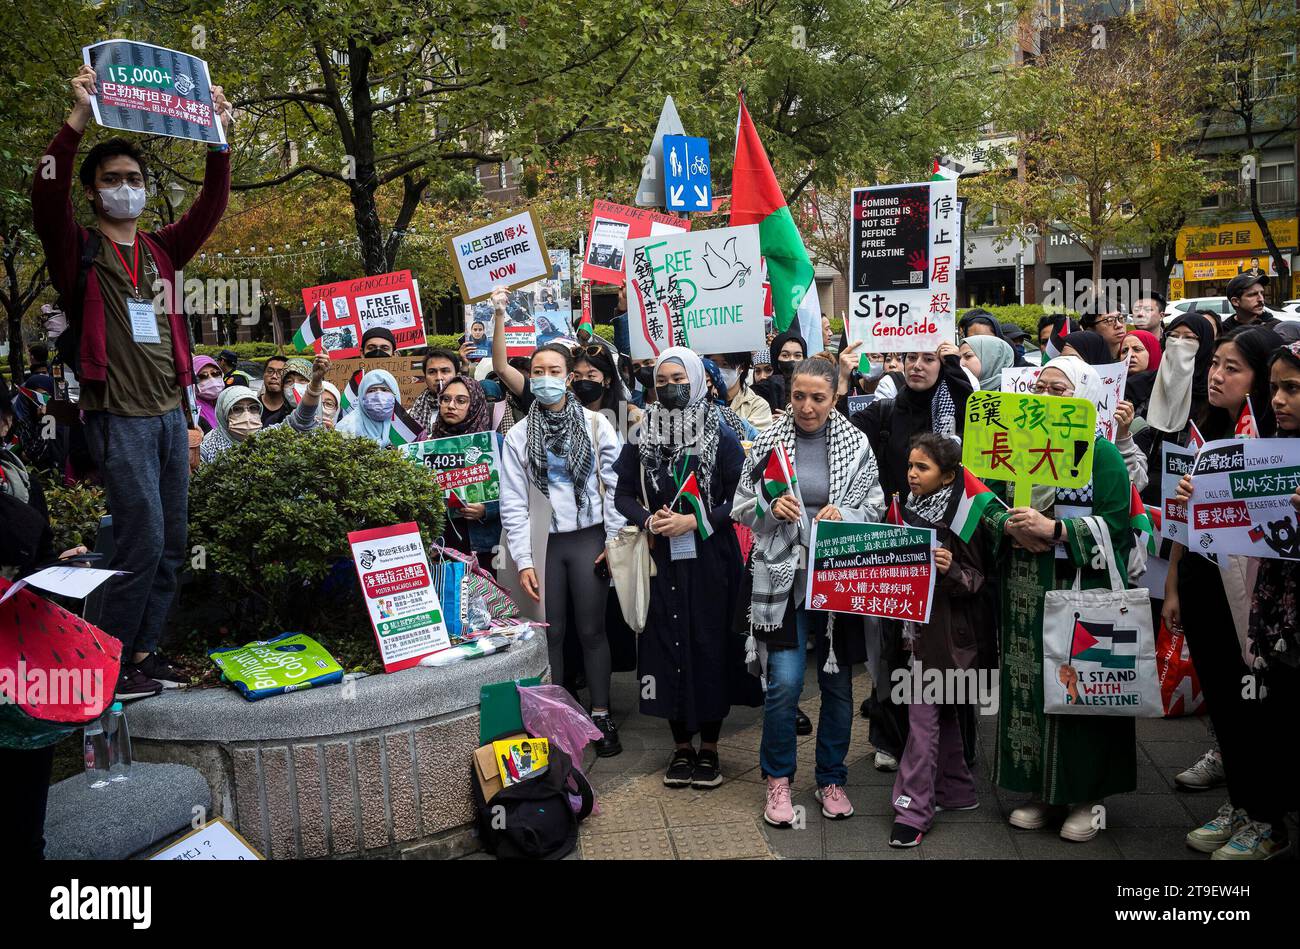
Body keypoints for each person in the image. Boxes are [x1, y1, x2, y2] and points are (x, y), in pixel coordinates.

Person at [31, 62, 233, 700]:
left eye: (136, 179)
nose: (127, 187)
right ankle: (108, 662)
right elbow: (43, 193)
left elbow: (213, 203)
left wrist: (219, 137)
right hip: (119, 417)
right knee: (140, 537)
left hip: (173, 416)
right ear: (93, 192)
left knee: (173, 541)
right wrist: (77, 120)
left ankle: (144, 652)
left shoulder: (164, 252)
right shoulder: (79, 252)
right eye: (113, 179)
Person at [980, 354, 1137, 841]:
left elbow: (1120, 526)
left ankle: (1088, 796)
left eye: (1060, 391)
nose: (1047, 399)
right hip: (1024, 589)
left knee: (1080, 689)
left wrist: (1058, 530)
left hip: (1079, 593)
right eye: (1041, 389)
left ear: (1086, 397)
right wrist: (1006, 524)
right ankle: (1040, 792)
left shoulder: (1101, 453)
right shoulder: (1011, 445)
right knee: (1030, 690)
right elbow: (982, 500)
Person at [732, 357, 885, 826]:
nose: (806, 406)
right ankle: (778, 780)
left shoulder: (856, 443)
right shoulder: (768, 442)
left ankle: (831, 777)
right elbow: (741, 505)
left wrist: (848, 513)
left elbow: (876, 504)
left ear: (835, 397)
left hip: (838, 578)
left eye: (818, 397)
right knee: (786, 683)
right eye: (798, 396)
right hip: (781, 580)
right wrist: (770, 507)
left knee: (838, 685)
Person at [1166, 327, 1287, 859]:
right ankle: (1240, 805)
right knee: (1224, 703)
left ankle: (1266, 819)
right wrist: (1172, 584)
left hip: (1257, 601)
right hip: (1203, 583)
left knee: (1256, 709)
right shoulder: (1205, 429)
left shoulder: (1277, 442)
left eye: (1232, 367)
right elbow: (1180, 520)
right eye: (1215, 364)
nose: (1216, 375)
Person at [613, 347, 746, 788]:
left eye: (678, 378)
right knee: (666, 644)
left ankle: (710, 748)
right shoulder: (641, 433)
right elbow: (624, 494)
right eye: (662, 381)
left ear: (697, 379)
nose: (670, 387)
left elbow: (740, 498)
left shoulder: (721, 431)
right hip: (661, 558)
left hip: (712, 559)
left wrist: (696, 520)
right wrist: (649, 520)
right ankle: (680, 747)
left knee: (708, 643)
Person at [498, 343, 626, 756]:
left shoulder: (596, 424)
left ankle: (602, 714)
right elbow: (512, 501)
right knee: (550, 633)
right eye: (538, 371)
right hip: (545, 544)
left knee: (592, 631)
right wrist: (523, 559)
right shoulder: (518, 435)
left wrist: (614, 540)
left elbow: (615, 486)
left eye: (555, 370)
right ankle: (554, 717)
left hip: (589, 538)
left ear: (569, 376)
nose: (546, 378)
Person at [0, 376, 98, 859]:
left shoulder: (17, 478)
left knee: (24, 782)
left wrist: (59, 567)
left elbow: (30, 554)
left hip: (20, 654)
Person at [888, 434, 988, 847]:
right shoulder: (905, 511)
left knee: (921, 725)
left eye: (922, 468)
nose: (912, 474)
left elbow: (977, 580)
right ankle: (957, 790)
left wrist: (948, 570)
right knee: (941, 717)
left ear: (947, 476)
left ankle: (912, 811)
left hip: (944, 640)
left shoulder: (960, 519)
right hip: (917, 637)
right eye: (910, 465)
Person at [1235, 341, 1300, 858]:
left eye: (1292, 389)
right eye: (1275, 387)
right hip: (1281, 617)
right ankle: (1270, 823)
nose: (1277, 400)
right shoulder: (1273, 449)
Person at [200, 354, 328, 463]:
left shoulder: (267, 438)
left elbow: (301, 420)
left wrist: (315, 383)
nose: (247, 415)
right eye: (237, 409)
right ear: (223, 415)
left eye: (253, 408)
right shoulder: (207, 449)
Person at [431, 374, 501, 572]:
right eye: (445, 399)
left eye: (461, 400)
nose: (451, 405)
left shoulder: (496, 443)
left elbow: (517, 495)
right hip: (444, 543)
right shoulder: (426, 445)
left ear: (476, 404)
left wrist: (487, 510)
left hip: (485, 543)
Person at [336, 368, 417, 446]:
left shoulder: (406, 429)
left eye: (384, 390)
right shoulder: (346, 428)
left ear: (395, 395)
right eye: (371, 391)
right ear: (361, 397)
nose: (378, 396)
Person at [704, 351, 773, 431]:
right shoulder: (700, 400)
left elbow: (755, 439)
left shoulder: (757, 406)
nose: (719, 370)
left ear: (741, 367)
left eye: (725, 364)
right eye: (714, 364)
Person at [408, 349, 465, 432]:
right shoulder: (411, 416)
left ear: (456, 375)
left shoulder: (469, 410)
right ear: (425, 377)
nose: (439, 377)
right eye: (432, 372)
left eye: (445, 371)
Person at [1121, 330, 1162, 418]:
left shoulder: (1164, 388)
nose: (1129, 355)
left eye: (1137, 349)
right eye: (1124, 351)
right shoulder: (1114, 390)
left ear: (1153, 352)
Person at [192, 355, 225, 433]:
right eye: (203, 376)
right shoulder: (193, 414)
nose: (212, 379)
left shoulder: (227, 404)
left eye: (215, 373)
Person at [259, 354, 293, 426]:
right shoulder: (253, 406)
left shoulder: (293, 409)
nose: (274, 376)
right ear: (263, 375)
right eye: (270, 371)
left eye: (280, 373)